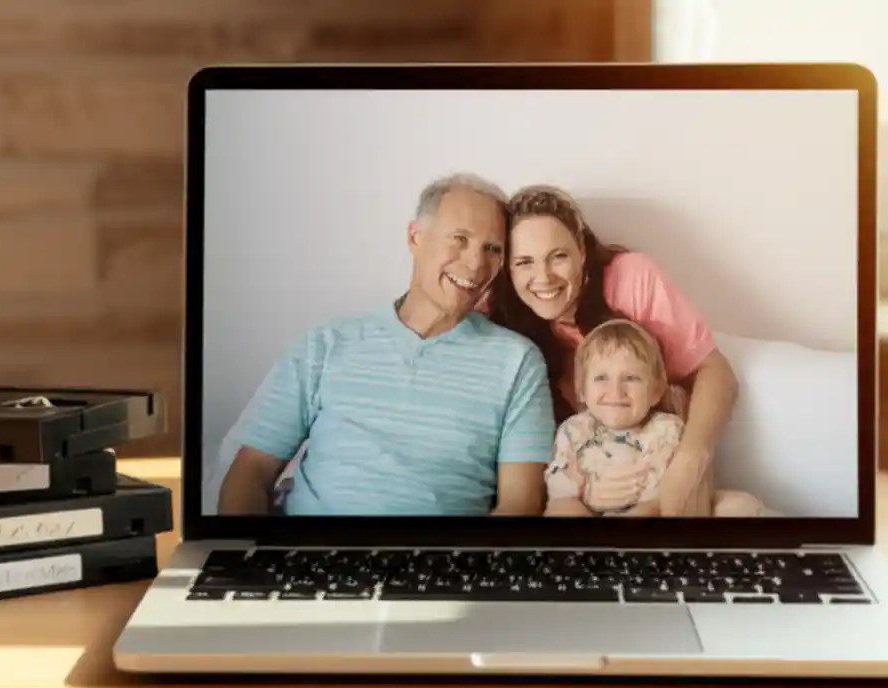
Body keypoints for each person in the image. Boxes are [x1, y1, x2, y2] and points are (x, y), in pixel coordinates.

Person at [216, 173, 555, 516]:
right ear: (415, 237)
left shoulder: (517, 361)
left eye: (492, 249)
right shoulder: (325, 346)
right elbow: (251, 472)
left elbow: (520, 504)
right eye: (459, 239)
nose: (476, 264)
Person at [486, 184, 763, 517]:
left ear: (582, 252)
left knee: (744, 511)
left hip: (656, 486)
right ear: (508, 268)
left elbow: (715, 372)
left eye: (558, 256)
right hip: (578, 495)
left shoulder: (629, 278)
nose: (543, 277)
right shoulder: (500, 318)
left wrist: (690, 461)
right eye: (524, 262)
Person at [546, 319, 684, 517]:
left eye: (631, 378)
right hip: (585, 509)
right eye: (601, 378)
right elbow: (560, 487)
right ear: (582, 390)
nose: (616, 392)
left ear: (656, 391)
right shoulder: (574, 430)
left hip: (644, 512)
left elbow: (664, 498)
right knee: (559, 509)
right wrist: (586, 493)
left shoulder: (665, 430)